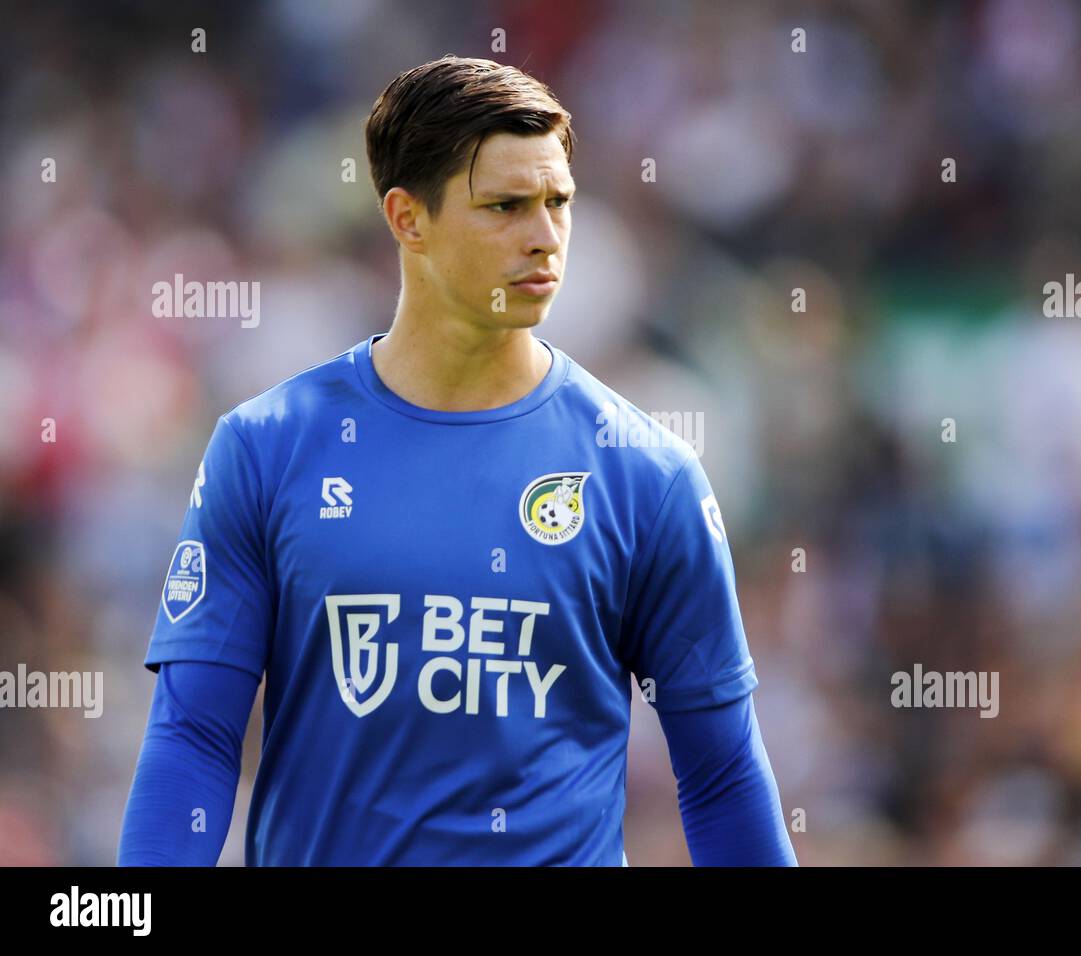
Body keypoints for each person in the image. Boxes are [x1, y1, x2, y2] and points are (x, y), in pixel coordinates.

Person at [118, 55, 797, 866]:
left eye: (558, 203)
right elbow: (194, 735)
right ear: (408, 218)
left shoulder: (647, 475)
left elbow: (721, 774)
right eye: (505, 206)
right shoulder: (268, 447)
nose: (544, 237)